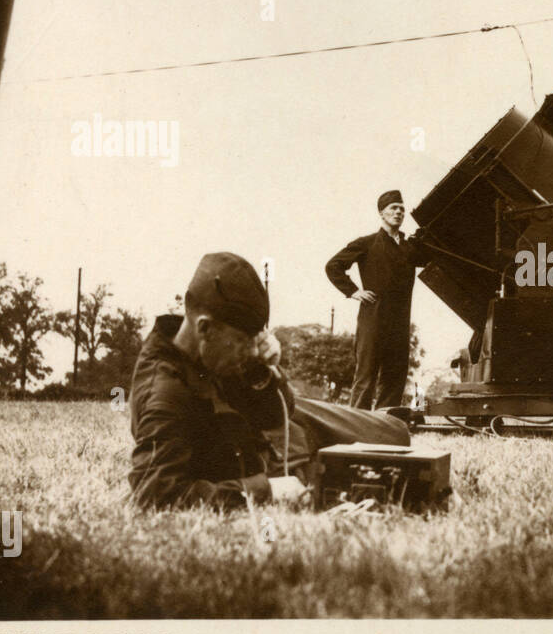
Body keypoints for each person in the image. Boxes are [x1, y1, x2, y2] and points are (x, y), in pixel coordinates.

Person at [128, 252, 409, 509]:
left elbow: (278, 414)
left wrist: (262, 371)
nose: (249, 351)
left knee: (396, 433)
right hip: (275, 462)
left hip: (293, 431)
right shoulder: (163, 394)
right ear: (205, 328)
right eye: (241, 341)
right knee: (395, 473)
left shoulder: (210, 346)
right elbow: (153, 496)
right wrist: (265, 491)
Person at [325, 190, 430, 410]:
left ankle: (386, 424)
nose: (399, 212)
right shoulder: (367, 243)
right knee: (366, 375)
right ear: (382, 213)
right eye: (393, 208)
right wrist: (354, 291)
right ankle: (357, 424)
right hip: (373, 317)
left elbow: (430, 256)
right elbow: (333, 266)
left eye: (401, 208)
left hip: (400, 321)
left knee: (395, 376)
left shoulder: (409, 247)